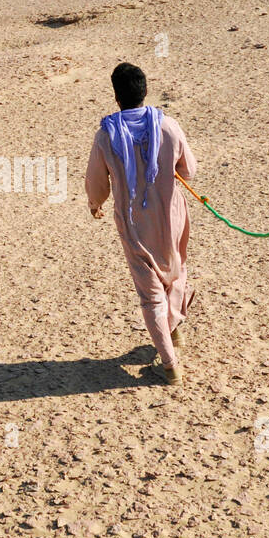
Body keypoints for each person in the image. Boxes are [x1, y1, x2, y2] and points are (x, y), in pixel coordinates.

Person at [85, 63, 198, 383]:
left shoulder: (106, 134)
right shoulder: (168, 126)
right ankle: (174, 330)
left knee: (150, 295)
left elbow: (97, 183)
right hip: (171, 217)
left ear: (116, 97)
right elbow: (188, 171)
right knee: (175, 272)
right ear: (144, 91)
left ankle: (170, 363)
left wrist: (95, 204)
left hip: (135, 225)